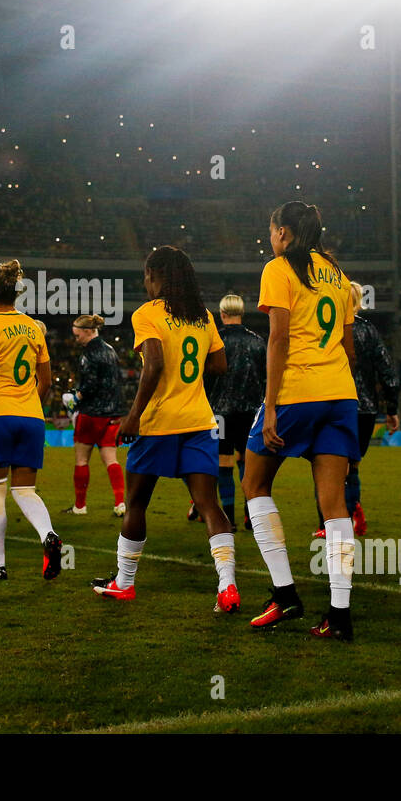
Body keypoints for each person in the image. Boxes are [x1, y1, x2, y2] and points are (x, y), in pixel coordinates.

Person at [90, 246, 238, 611]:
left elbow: (153, 365)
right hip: (199, 422)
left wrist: (133, 415)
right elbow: (219, 365)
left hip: (159, 423)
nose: (145, 282)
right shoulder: (202, 315)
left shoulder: (147, 313)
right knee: (208, 505)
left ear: (156, 275)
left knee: (136, 503)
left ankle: (124, 583)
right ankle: (228, 586)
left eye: (146, 275)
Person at [241, 202, 360, 639]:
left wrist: (271, 406)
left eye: (271, 230)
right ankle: (340, 614)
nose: (270, 238)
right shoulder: (339, 274)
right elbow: (350, 348)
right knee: (335, 506)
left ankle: (285, 593)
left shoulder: (280, 268)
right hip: (340, 393)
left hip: (298, 391)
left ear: (285, 233)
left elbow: (278, 338)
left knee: (254, 484)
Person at [0, 259, 62, 581]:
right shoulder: (34, 327)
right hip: (31, 416)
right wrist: (31, 403)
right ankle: (48, 534)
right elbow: (46, 379)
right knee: (25, 490)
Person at [309, 281, 400, 538]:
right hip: (366, 409)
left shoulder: (327, 328)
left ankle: (327, 523)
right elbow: (387, 371)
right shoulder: (369, 330)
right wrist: (391, 407)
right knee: (353, 466)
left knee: (326, 465)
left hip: (334, 403)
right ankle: (353, 512)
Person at [198, 294, 265, 531]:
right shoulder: (258, 341)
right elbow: (266, 378)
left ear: (222, 314)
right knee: (248, 463)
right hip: (251, 413)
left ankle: (228, 518)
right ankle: (251, 517)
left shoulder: (214, 341)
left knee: (223, 464)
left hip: (220, 413)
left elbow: (203, 377)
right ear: (241, 314)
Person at [64, 314, 127, 517]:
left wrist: (75, 397)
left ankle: (80, 506)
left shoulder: (89, 353)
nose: (76, 339)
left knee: (82, 459)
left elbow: (90, 384)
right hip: (112, 413)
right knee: (111, 459)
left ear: (89, 331)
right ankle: (120, 503)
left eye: (77, 335)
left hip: (91, 414)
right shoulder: (111, 350)